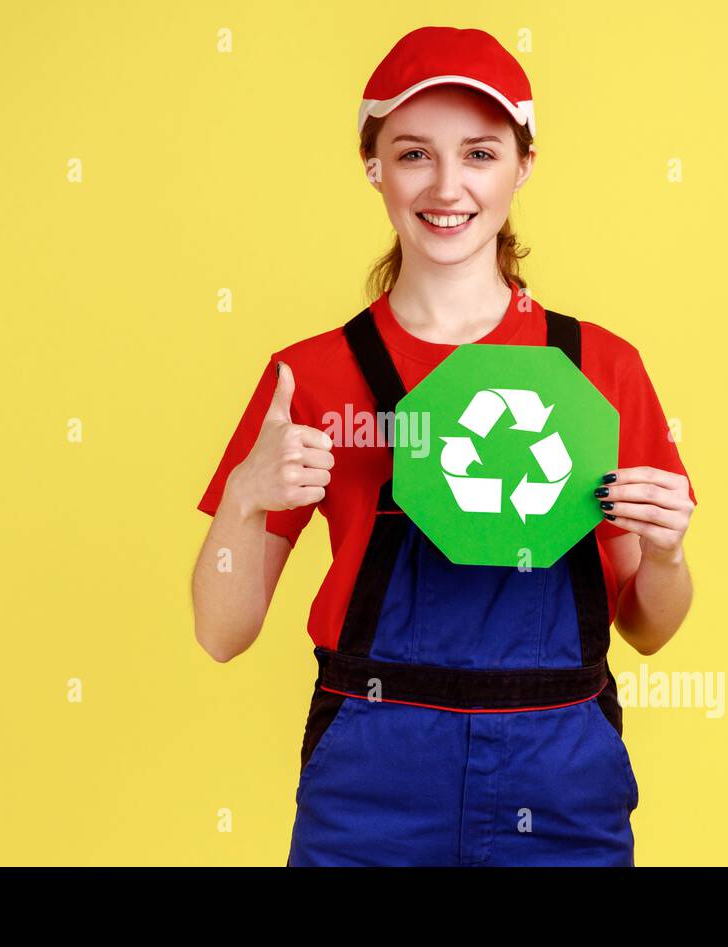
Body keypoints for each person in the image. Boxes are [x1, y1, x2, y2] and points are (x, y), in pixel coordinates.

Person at [192, 25, 698, 866]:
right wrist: (247, 495)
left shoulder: (600, 368)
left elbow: (650, 628)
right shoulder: (309, 377)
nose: (449, 185)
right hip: (370, 790)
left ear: (522, 165)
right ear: (374, 167)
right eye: (415, 154)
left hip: (561, 784)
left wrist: (670, 556)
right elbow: (221, 632)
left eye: (480, 153)